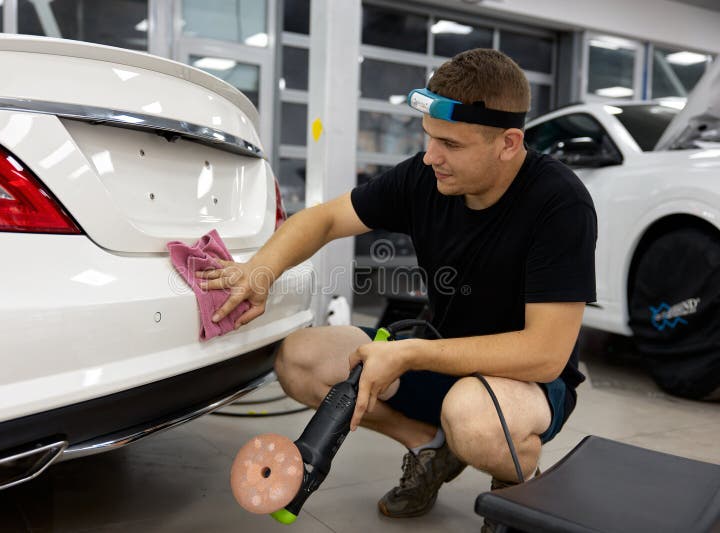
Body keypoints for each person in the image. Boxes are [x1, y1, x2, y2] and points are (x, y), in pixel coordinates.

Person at [197, 48, 597, 530]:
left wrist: (408, 356)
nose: (431, 156)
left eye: (450, 143)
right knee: (299, 357)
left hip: (527, 385)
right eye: (429, 139)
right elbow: (324, 219)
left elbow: (544, 354)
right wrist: (259, 272)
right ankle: (429, 448)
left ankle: (515, 490)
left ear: (508, 143)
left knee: (473, 417)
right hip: (441, 352)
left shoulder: (560, 204)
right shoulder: (424, 177)